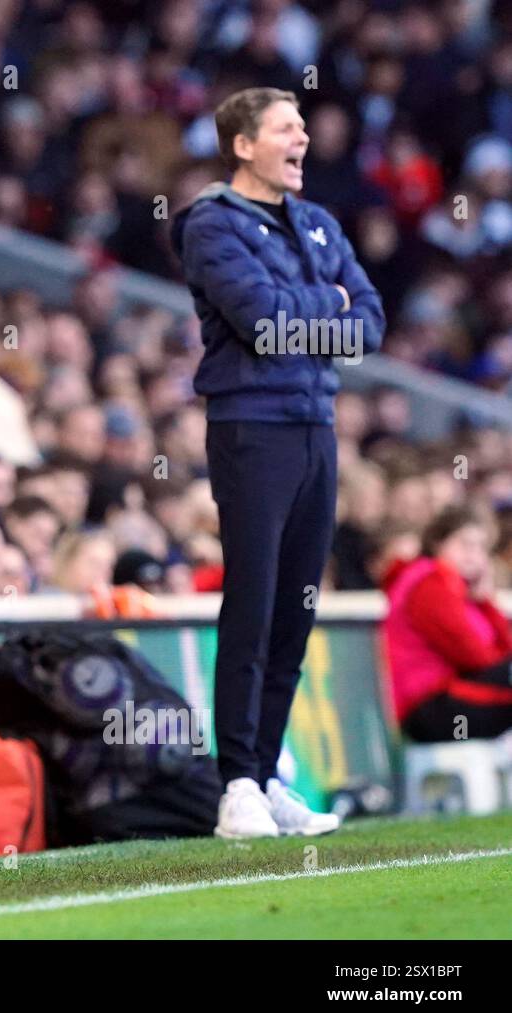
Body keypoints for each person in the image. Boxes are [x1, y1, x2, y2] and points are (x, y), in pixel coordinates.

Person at [171, 87, 385, 838]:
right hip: (250, 425)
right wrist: (324, 303)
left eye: (302, 128)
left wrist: (314, 311)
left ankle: (264, 775)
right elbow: (261, 324)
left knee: (296, 608)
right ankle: (235, 785)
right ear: (243, 146)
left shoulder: (320, 223)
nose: (303, 139)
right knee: (254, 603)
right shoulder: (209, 222)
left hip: (314, 425)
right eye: (286, 129)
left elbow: (372, 323)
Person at [384, 505, 512, 741]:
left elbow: (501, 650)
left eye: (481, 547)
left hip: (452, 698)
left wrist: (485, 601)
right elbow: (474, 656)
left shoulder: (462, 590)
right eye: (465, 544)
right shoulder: (429, 584)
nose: (473, 555)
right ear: (438, 543)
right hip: (430, 708)